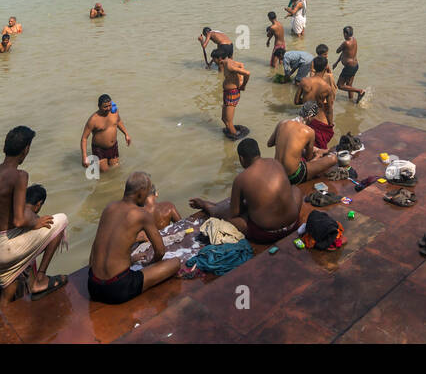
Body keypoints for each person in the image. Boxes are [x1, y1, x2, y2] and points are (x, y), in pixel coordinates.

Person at [0, 125, 69, 310]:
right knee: (61, 220)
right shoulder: (20, 176)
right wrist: (36, 222)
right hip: (4, 251)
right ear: (26, 149)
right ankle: (40, 279)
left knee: (9, 289)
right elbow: (19, 220)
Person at [87, 172, 188, 305]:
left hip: (93, 286)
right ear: (140, 194)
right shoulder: (141, 214)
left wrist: (130, 260)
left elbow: (94, 252)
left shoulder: (109, 208)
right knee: (175, 263)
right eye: (146, 193)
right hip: (118, 288)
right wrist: (150, 264)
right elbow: (160, 251)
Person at [189, 138, 303, 244]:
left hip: (268, 234)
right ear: (258, 153)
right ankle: (211, 205)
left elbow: (234, 213)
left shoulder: (241, 179)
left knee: (229, 217)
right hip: (293, 223)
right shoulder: (275, 163)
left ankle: (206, 206)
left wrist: (210, 206)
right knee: (295, 189)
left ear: (241, 159)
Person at [266, 111, 338, 184]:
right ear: (309, 116)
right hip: (294, 177)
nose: (313, 121)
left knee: (302, 149)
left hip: (278, 171)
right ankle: (320, 153)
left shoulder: (282, 123)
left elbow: (269, 144)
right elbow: (308, 158)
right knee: (333, 158)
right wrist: (317, 156)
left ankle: (320, 151)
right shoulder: (309, 131)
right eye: (313, 118)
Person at [294, 56, 337, 149]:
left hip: (306, 119)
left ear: (313, 67)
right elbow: (329, 110)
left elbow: (296, 101)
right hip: (320, 121)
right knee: (319, 149)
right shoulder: (327, 88)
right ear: (326, 67)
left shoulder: (304, 81)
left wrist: (307, 101)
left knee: (304, 147)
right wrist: (330, 125)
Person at [81, 93, 132, 172]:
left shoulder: (114, 112)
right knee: (104, 172)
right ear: (99, 106)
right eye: (105, 107)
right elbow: (84, 138)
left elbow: (118, 121)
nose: (108, 108)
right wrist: (84, 157)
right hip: (99, 149)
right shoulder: (93, 120)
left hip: (113, 147)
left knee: (115, 169)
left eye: (109, 105)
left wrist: (126, 134)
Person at [215, 46, 251, 140]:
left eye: (214, 59)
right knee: (224, 119)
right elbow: (241, 64)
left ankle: (235, 137)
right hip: (228, 93)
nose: (213, 62)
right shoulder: (229, 61)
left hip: (232, 94)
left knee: (228, 121)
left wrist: (243, 85)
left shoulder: (229, 66)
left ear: (219, 58)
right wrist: (240, 79)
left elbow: (247, 73)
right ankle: (230, 135)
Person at [336, 26, 365, 102]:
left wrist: (341, 45)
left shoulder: (346, 43)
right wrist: (336, 62)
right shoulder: (354, 40)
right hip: (355, 65)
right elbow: (345, 53)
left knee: (340, 85)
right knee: (349, 86)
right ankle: (351, 101)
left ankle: (359, 91)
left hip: (349, 67)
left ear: (345, 34)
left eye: (343, 33)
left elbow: (338, 51)